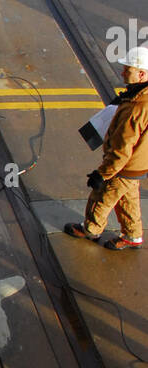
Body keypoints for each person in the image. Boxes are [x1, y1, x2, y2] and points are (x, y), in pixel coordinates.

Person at [64, 46, 148, 250]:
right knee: (127, 199)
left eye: (127, 69)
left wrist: (102, 174)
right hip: (138, 165)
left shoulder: (136, 108)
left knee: (101, 197)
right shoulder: (140, 98)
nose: (122, 72)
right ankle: (133, 235)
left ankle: (91, 230)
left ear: (142, 73)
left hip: (124, 167)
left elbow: (122, 149)